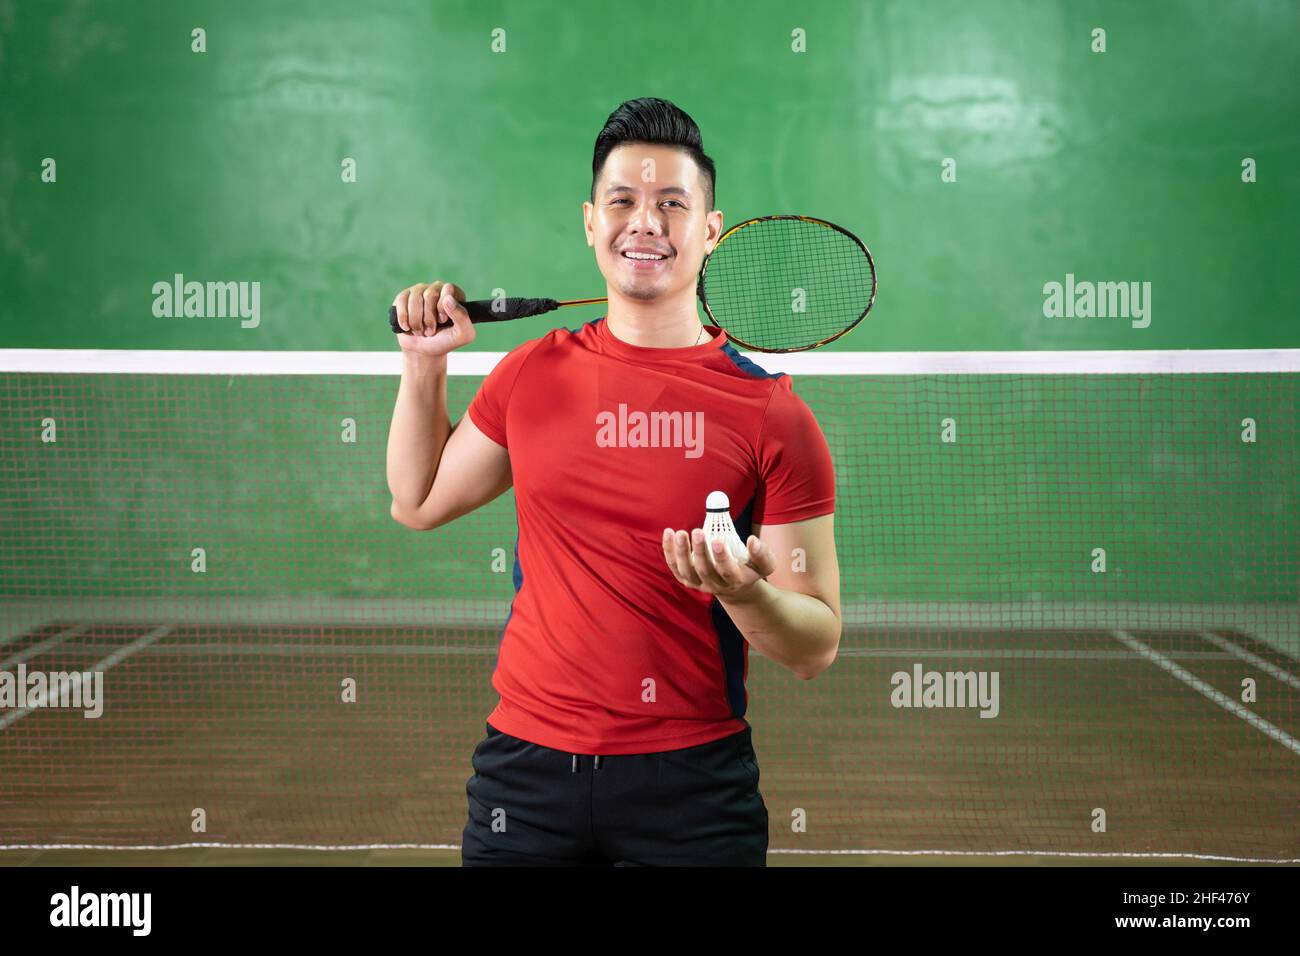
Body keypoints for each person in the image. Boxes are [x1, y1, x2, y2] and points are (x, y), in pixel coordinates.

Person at [387, 97, 841, 866]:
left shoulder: (772, 414)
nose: (645, 223)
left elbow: (813, 647)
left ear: (709, 230)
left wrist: (744, 592)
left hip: (692, 789)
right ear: (591, 223)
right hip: (523, 776)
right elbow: (418, 500)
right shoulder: (531, 372)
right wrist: (423, 367)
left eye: (672, 204)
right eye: (623, 202)